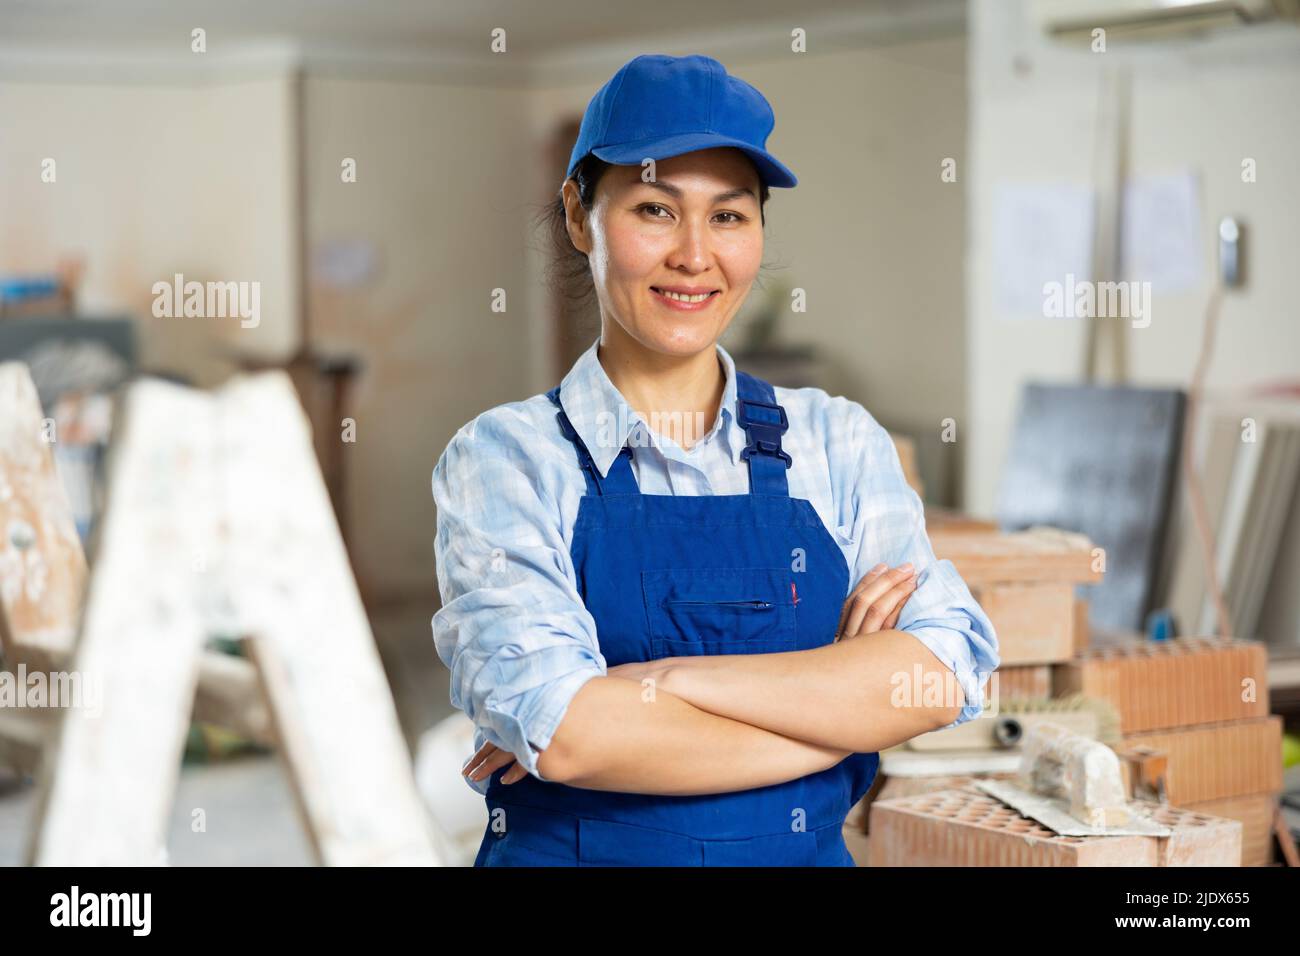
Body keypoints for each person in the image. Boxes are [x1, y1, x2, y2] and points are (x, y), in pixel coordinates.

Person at [432, 53, 999, 866]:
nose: (695, 256)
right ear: (576, 216)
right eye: (656, 210)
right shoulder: (506, 460)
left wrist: (656, 685)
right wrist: (838, 717)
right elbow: (570, 733)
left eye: (729, 217)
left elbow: (939, 676)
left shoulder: (836, 442)